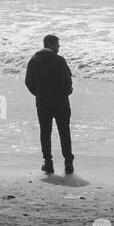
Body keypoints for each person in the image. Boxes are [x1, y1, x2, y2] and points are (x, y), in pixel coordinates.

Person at [25, 33, 73, 174]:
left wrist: (39, 93)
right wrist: (67, 92)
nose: (59, 47)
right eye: (57, 44)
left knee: (45, 132)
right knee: (64, 131)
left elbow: (29, 82)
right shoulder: (59, 61)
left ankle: (48, 163)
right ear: (51, 45)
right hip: (61, 102)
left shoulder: (34, 61)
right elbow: (67, 80)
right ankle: (68, 163)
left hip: (43, 102)